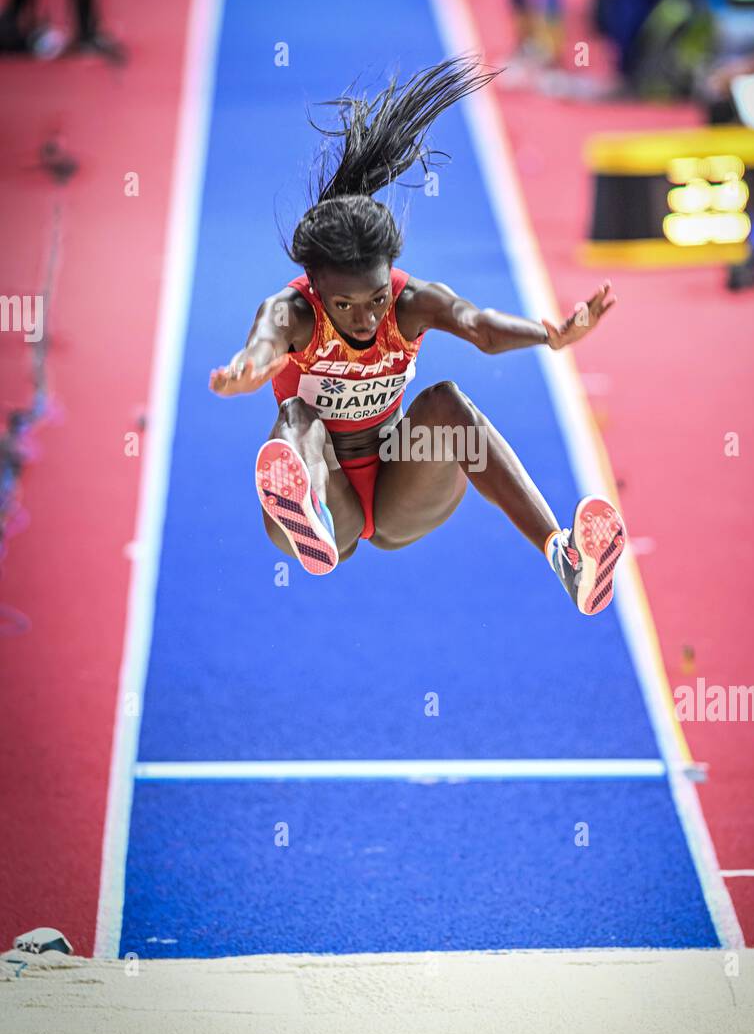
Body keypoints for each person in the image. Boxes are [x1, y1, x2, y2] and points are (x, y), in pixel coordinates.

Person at [209, 57, 627, 616]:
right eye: (345, 306)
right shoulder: (291, 313)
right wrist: (248, 369)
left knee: (448, 402)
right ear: (314, 287)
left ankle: (564, 557)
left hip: (401, 483)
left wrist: (550, 335)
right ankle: (308, 510)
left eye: (376, 298)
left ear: (392, 277)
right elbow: (262, 345)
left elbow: (479, 328)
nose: (364, 319)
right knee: (295, 419)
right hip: (335, 499)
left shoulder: (411, 304)